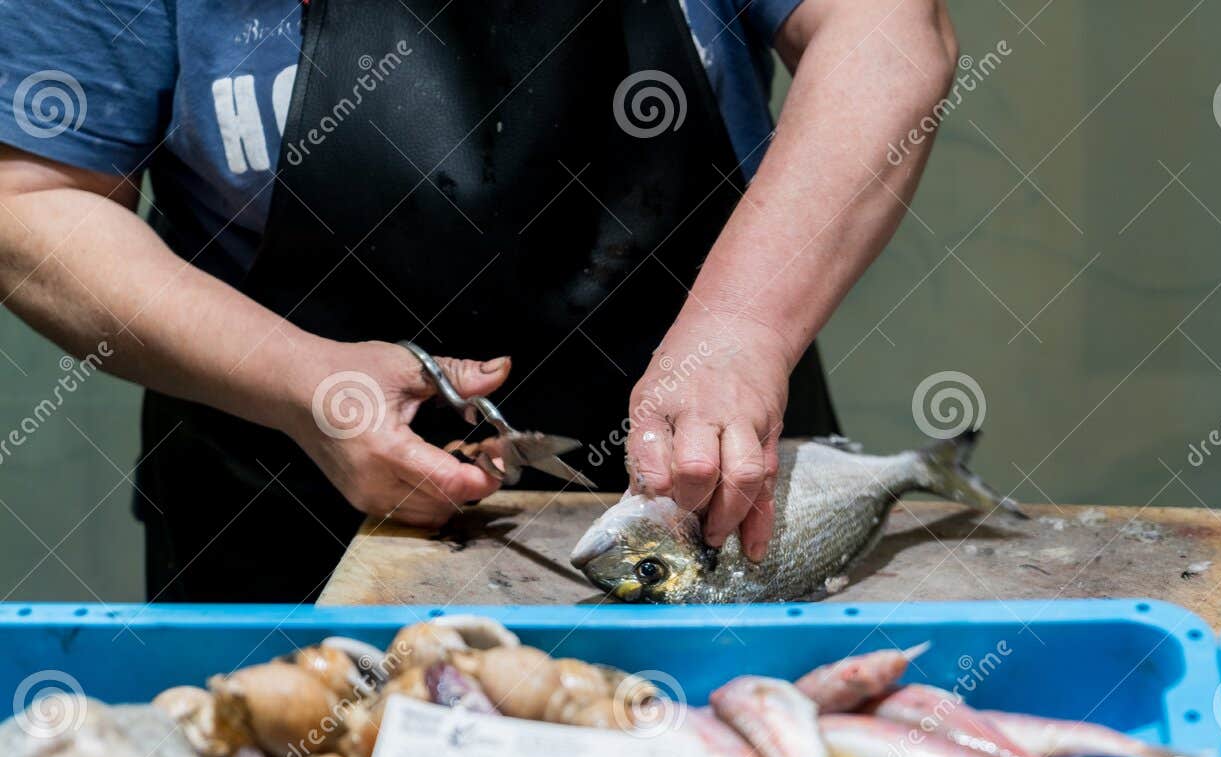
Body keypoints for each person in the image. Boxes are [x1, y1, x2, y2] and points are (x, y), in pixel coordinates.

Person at [0, 0, 957, 601]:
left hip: (712, 489)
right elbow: (32, 200)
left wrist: (744, 323)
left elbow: (886, 31)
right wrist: (298, 380)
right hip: (284, 522)